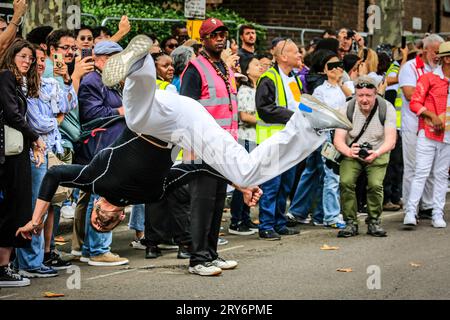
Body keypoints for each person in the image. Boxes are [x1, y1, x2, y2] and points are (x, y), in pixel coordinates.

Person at [17, 34, 352, 270]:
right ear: (116, 216)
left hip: (158, 118)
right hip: (182, 118)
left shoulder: (103, 183)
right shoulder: (132, 189)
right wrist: (239, 183)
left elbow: (54, 173)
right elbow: (195, 171)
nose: (108, 216)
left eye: (102, 220)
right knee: (246, 170)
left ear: (103, 212)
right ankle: (310, 123)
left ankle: (139, 62)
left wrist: (35, 219)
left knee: (135, 113)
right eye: (109, 221)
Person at [0, 38, 45, 287]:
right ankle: (3, 268)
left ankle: (6, 266)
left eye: (31, 57)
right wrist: (36, 138)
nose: (27, 61)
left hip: (15, 151)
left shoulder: (18, 82)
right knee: (12, 207)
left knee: (15, 207)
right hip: (8, 154)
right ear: (12, 55)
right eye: (23, 56)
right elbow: (12, 114)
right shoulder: (6, 76)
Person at [334, 76, 397, 238]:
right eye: (360, 95)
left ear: (376, 94)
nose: (364, 99)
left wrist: (376, 153)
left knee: (375, 185)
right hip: (352, 150)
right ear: (355, 94)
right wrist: (348, 151)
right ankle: (350, 222)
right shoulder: (347, 108)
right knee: (346, 182)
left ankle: (374, 221)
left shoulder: (386, 108)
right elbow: (338, 139)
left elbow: (391, 140)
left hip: (378, 150)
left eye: (368, 95)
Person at [403, 41, 450, 228]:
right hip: (428, 133)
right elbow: (414, 102)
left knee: (441, 175)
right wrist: (431, 115)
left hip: (448, 135)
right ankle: (410, 212)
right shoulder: (429, 78)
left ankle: (437, 213)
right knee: (421, 172)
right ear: (447, 59)